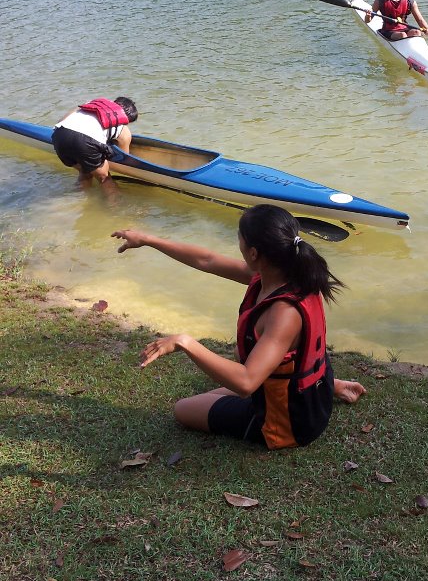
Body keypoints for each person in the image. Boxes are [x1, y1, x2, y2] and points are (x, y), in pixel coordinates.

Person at [111, 204, 366, 449]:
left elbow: (246, 383)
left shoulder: (284, 313)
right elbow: (206, 260)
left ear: (254, 253)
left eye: (240, 238)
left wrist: (185, 342)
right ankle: (334, 385)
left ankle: (298, 407)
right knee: (235, 360)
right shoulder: (283, 275)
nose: (239, 244)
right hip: (311, 394)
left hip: (291, 423)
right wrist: (148, 240)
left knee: (184, 409)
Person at [51, 96, 138, 190]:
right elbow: (123, 159)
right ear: (127, 119)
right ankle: (114, 204)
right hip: (86, 142)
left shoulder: (90, 104)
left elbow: (60, 121)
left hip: (59, 135)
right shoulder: (122, 127)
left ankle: (80, 198)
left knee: (86, 172)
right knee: (105, 179)